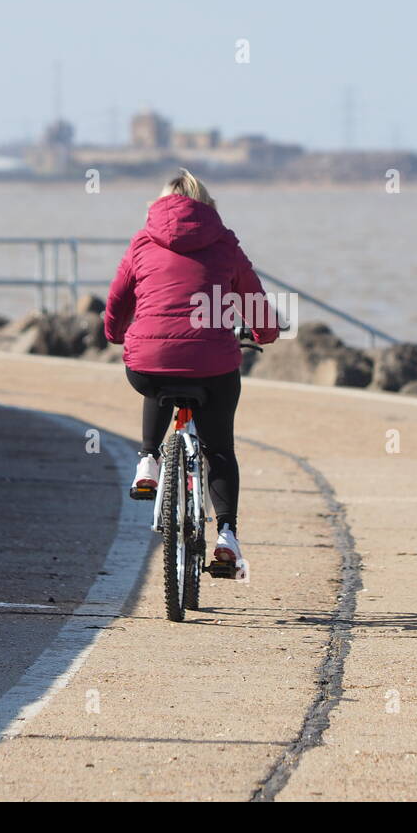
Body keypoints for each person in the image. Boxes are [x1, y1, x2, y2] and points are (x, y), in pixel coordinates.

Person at [105, 169, 279, 578]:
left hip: (148, 365)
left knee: (157, 369)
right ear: (207, 205)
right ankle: (227, 538)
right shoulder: (224, 243)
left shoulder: (143, 241)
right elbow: (253, 298)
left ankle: (148, 459)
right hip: (213, 367)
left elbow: (117, 296)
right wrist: (265, 333)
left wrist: (115, 333)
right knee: (219, 449)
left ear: (159, 203)